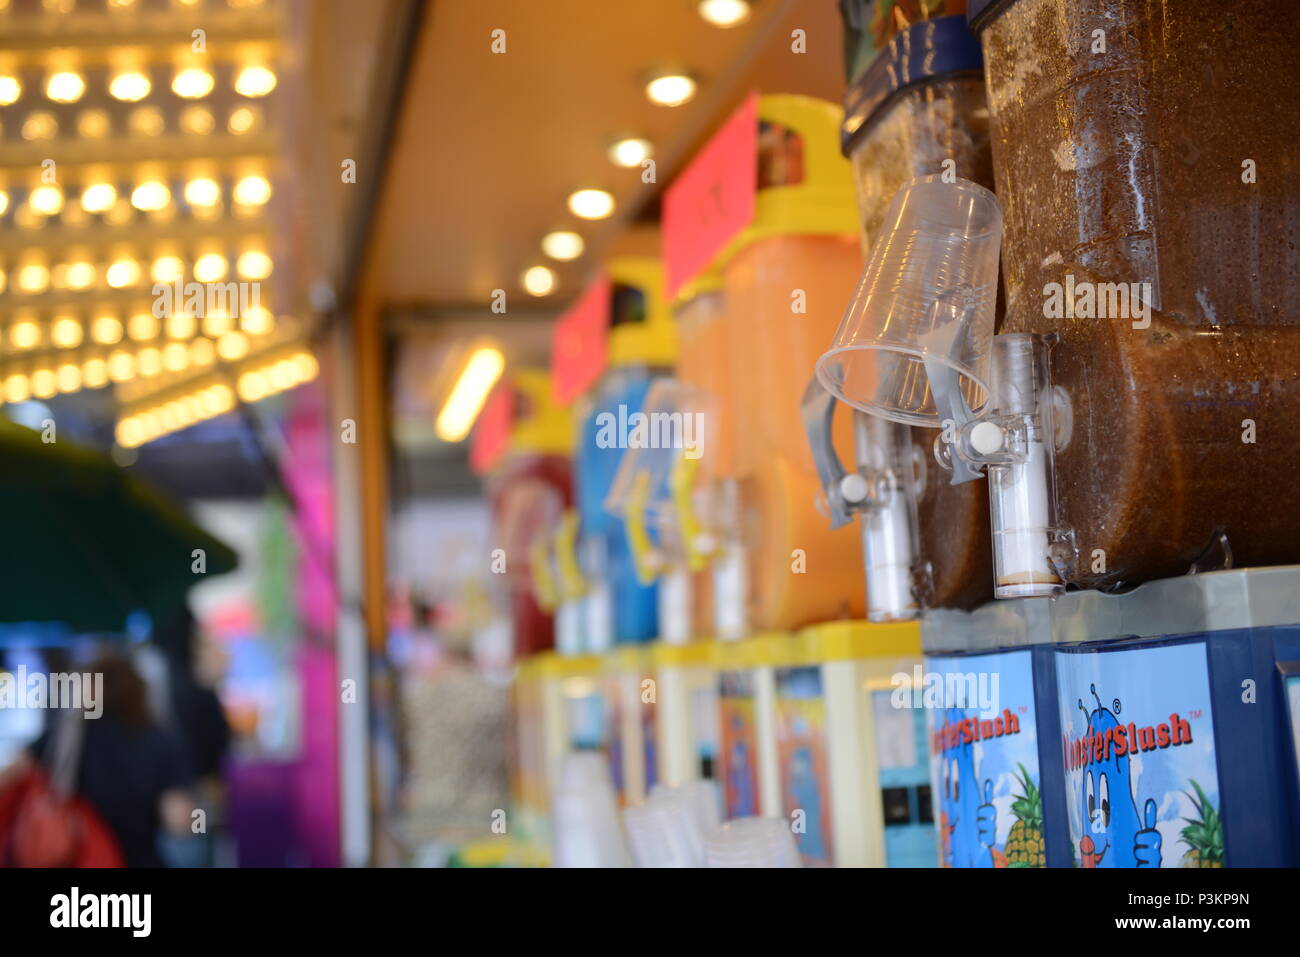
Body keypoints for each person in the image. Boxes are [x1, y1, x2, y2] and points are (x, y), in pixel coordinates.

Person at [0, 653, 196, 867]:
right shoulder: (160, 740)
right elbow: (179, 821)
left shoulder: (69, 737)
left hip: (78, 859)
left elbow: (11, 774)